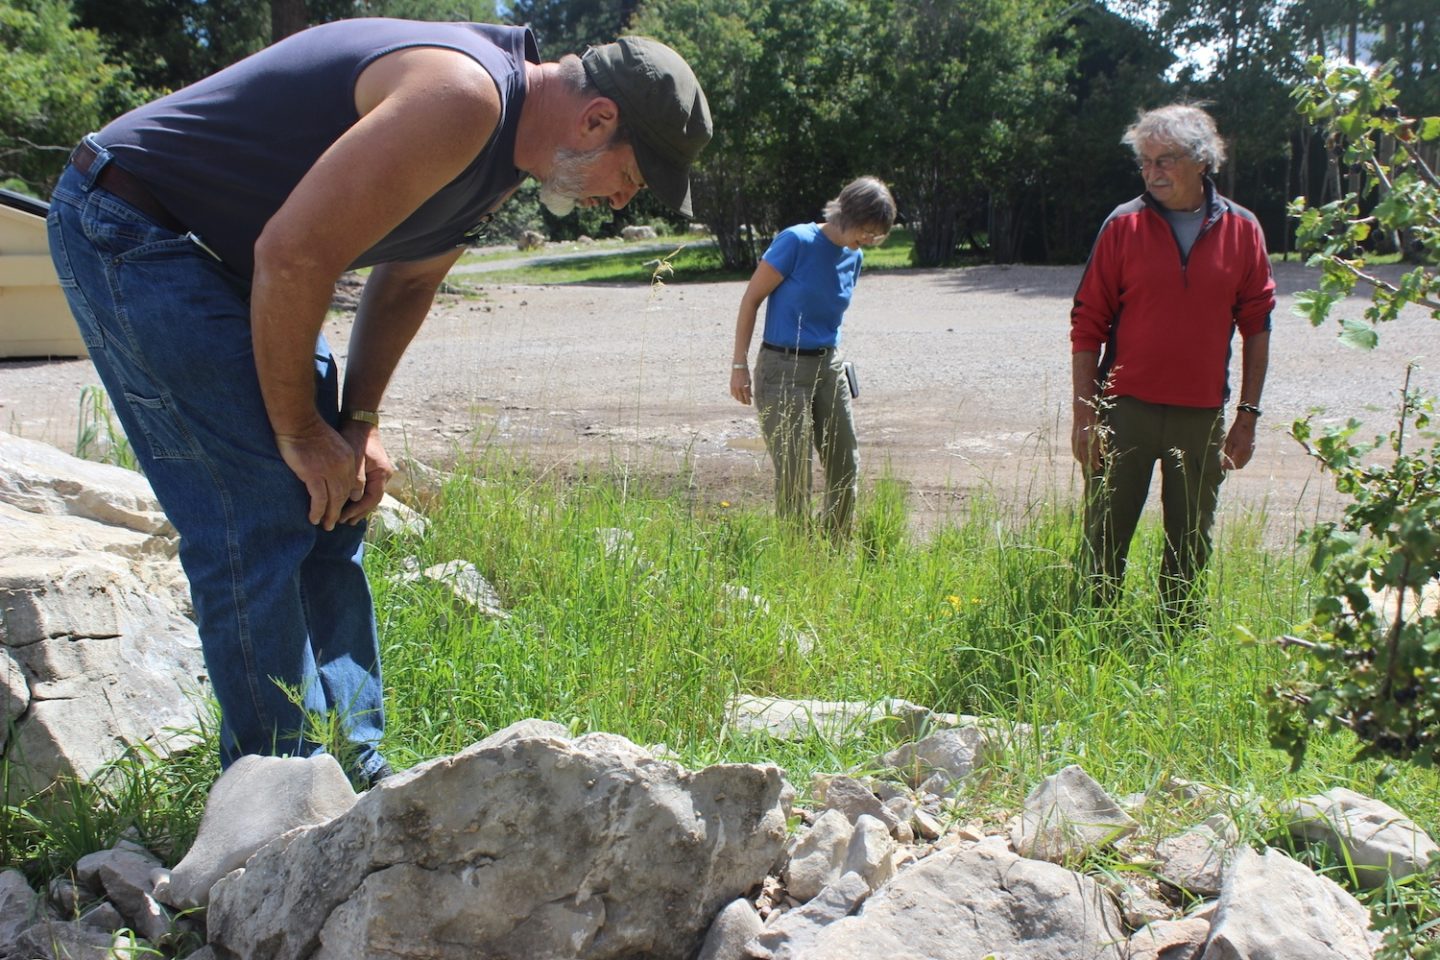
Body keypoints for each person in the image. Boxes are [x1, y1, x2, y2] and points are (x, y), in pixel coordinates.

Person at [46, 19, 711, 783]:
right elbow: (294, 255)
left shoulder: (506, 152)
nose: (625, 200)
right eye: (636, 175)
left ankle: (359, 771)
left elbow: (410, 279)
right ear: (597, 121)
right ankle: (278, 798)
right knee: (260, 504)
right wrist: (299, 430)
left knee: (340, 497)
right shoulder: (465, 98)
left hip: (231, 257)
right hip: (135, 224)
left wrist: (357, 422)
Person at [1070, 104, 1274, 618]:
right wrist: (1084, 414)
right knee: (1102, 539)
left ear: (1202, 162)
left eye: (1166, 160)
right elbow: (1087, 321)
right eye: (1145, 162)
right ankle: (1089, 637)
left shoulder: (1244, 230)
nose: (1153, 172)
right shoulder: (1123, 225)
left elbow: (1258, 326)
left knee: (1190, 544)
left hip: (1201, 415)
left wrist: (1248, 416)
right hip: (1124, 411)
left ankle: (1174, 642)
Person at [730, 177, 896, 539]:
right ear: (846, 213)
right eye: (866, 230)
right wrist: (739, 365)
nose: (869, 240)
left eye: (876, 235)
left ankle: (835, 549)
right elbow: (751, 300)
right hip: (782, 367)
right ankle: (797, 556)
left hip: (829, 365)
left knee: (845, 464)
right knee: (794, 472)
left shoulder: (855, 256)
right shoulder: (797, 241)